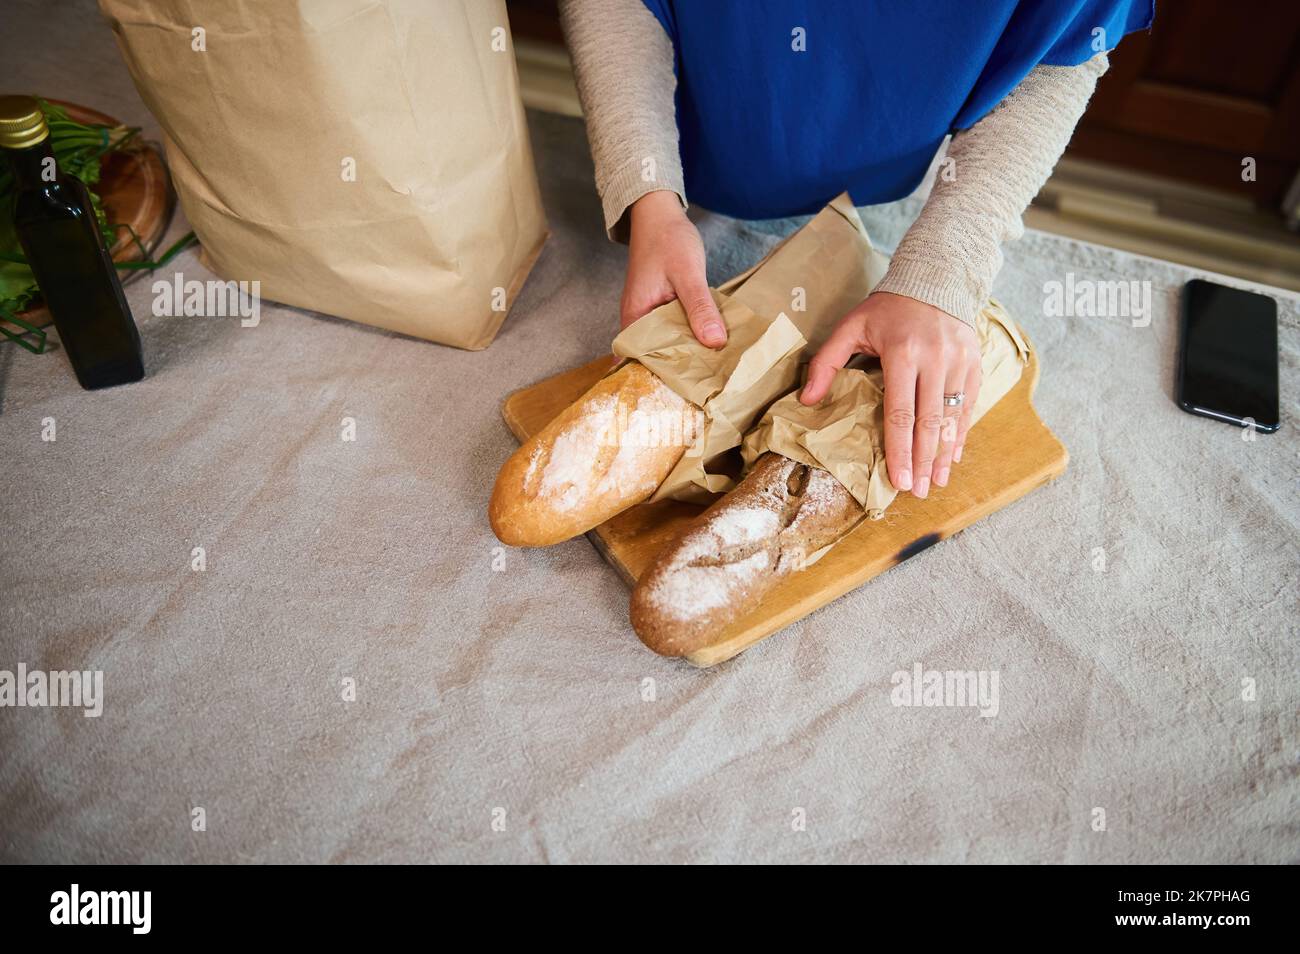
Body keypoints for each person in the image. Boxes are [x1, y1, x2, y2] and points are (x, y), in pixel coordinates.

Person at [558, 0, 1152, 499]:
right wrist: (647, 189)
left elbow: (1067, 39)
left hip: (900, 192)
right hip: (681, 143)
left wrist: (945, 266)